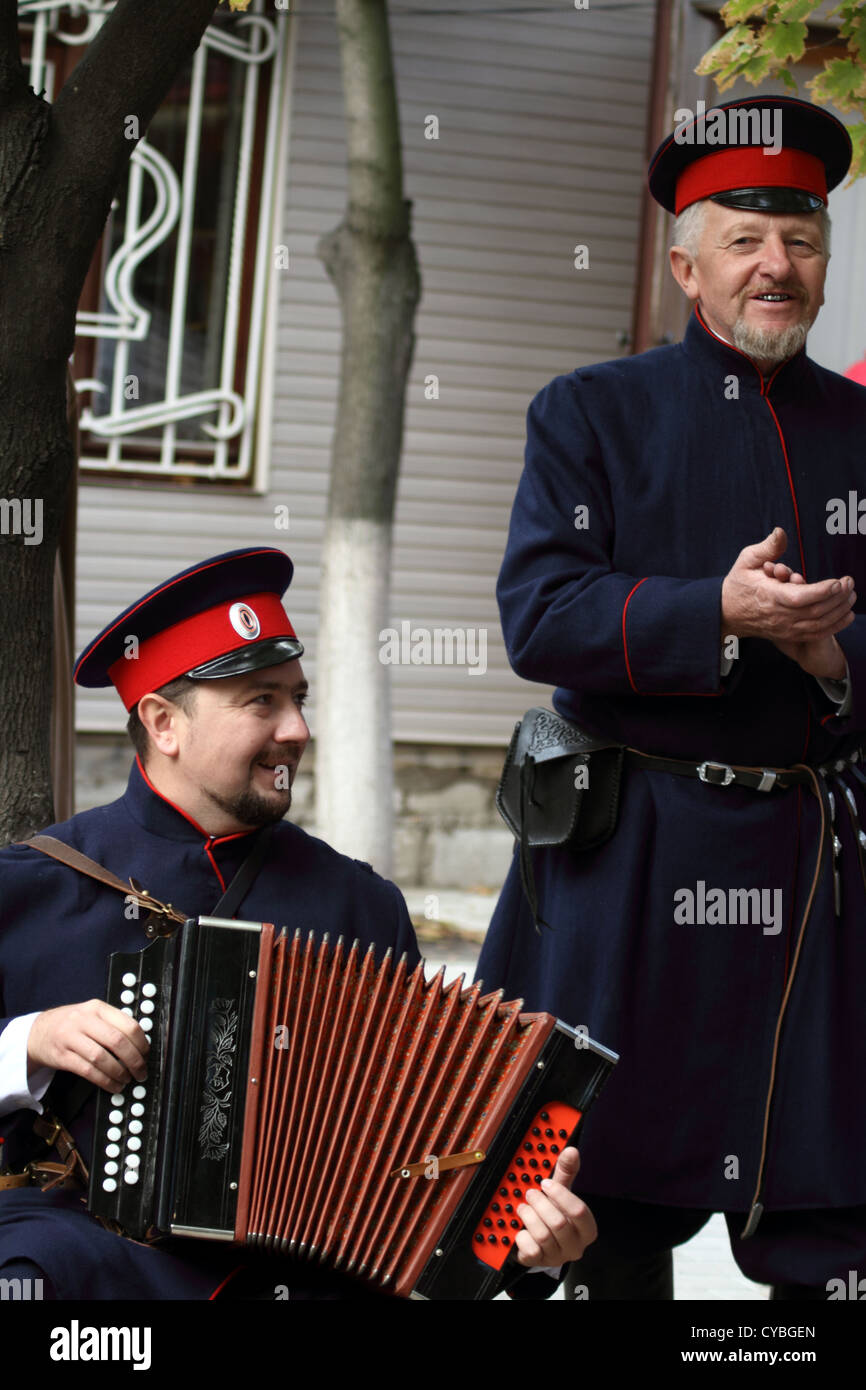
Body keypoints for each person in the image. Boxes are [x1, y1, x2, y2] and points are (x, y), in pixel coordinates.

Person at [477, 95, 866, 1301]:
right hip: (624, 860)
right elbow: (539, 615)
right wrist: (716, 614)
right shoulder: (589, 410)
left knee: (829, 1215)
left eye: (799, 239)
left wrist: (830, 661)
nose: (774, 265)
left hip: (811, 866)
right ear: (683, 259)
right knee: (584, 1207)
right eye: (743, 236)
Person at [0, 547, 595, 1299]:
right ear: (163, 723)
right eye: (261, 702)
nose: (297, 730)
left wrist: (534, 1245)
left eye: (298, 698)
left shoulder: (361, 906)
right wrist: (29, 1042)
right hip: (100, 1265)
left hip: (303, 1281)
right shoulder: (32, 886)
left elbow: (423, 1152)